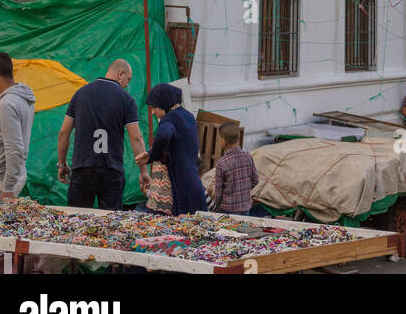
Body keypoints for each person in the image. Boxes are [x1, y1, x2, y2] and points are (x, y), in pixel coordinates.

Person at [57, 58, 149, 209]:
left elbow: (64, 132)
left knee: (75, 219)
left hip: (83, 168)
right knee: (110, 222)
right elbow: (136, 138)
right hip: (111, 170)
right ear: (121, 74)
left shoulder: (80, 94)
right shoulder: (126, 99)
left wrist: (62, 164)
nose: (127, 84)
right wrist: (143, 171)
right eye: (128, 79)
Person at [135, 85, 206, 216]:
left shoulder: (168, 120)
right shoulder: (188, 116)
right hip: (193, 182)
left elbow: (164, 135)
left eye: (154, 108)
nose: (153, 112)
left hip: (179, 186)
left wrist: (152, 156)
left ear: (164, 103)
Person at [0, 53, 35, 202]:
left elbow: (14, 147)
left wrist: (8, 188)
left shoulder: (7, 104)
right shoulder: (23, 98)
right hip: (11, 175)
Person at [212, 124, 259, 215]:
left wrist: (216, 207)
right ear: (238, 139)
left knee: (228, 229)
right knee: (243, 229)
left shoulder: (221, 163)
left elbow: (218, 193)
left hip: (228, 209)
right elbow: (255, 180)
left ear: (223, 140)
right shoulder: (248, 157)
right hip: (246, 207)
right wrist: (244, 191)